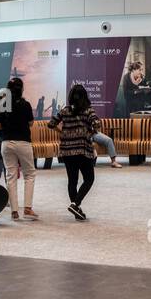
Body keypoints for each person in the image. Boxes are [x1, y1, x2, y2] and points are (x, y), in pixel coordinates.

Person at [49, 83, 103, 221]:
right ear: (85, 96)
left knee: (72, 181)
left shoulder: (65, 110)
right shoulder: (88, 110)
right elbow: (97, 123)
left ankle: (76, 209)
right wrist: (90, 131)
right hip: (83, 150)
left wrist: (63, 132)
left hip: (67, 151)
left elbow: (51, 124)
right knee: (89, 179)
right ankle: (75, 204)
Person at [0, 78, 37, 221]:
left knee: (11, 176)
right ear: (21, 89)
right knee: (29, 175)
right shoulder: (26, 104)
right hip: (23, 142)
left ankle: (14, 211)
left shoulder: (3, 103)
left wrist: (8, 125)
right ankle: (27, 208)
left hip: (6, 143)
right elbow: (30, 123)